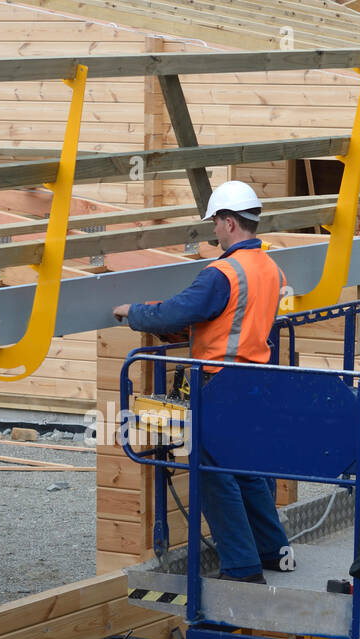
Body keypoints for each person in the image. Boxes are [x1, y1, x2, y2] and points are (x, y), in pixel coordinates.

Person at [113, 181, 292, 584]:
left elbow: (178, 312)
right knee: (247, 471)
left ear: (230, 223)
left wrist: (135, 312)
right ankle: (274, 551)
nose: (213, 231)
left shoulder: (223, 272)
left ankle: (242, 568)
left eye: (215, 223)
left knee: (214, 477)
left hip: (219, 385)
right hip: (255, 382)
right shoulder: (269, 266)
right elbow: (232, 320)